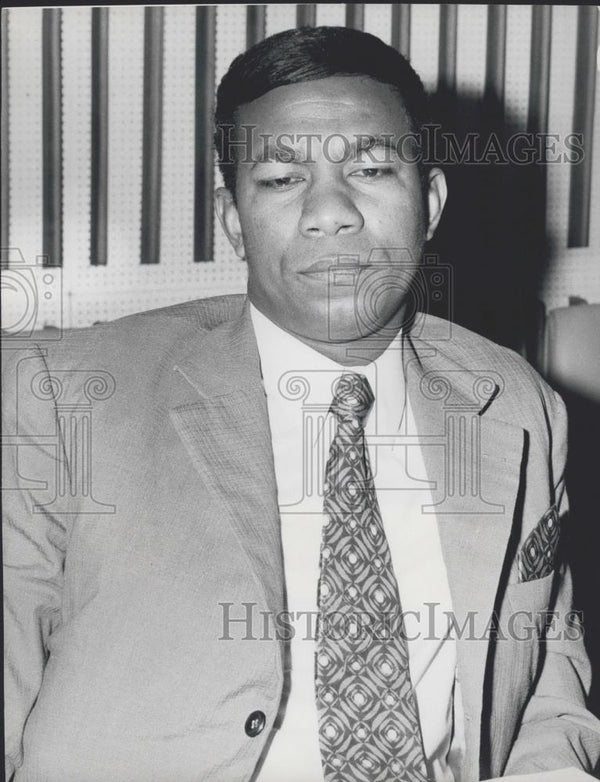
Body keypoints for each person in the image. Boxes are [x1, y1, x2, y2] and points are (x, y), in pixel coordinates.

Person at [3, 25, 600, 782]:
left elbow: (541, 678)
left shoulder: (516, 405)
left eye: (372, 169)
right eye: (283, 179)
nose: (331, 211)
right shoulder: (69, 398)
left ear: (431, 202)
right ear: (233, 221)